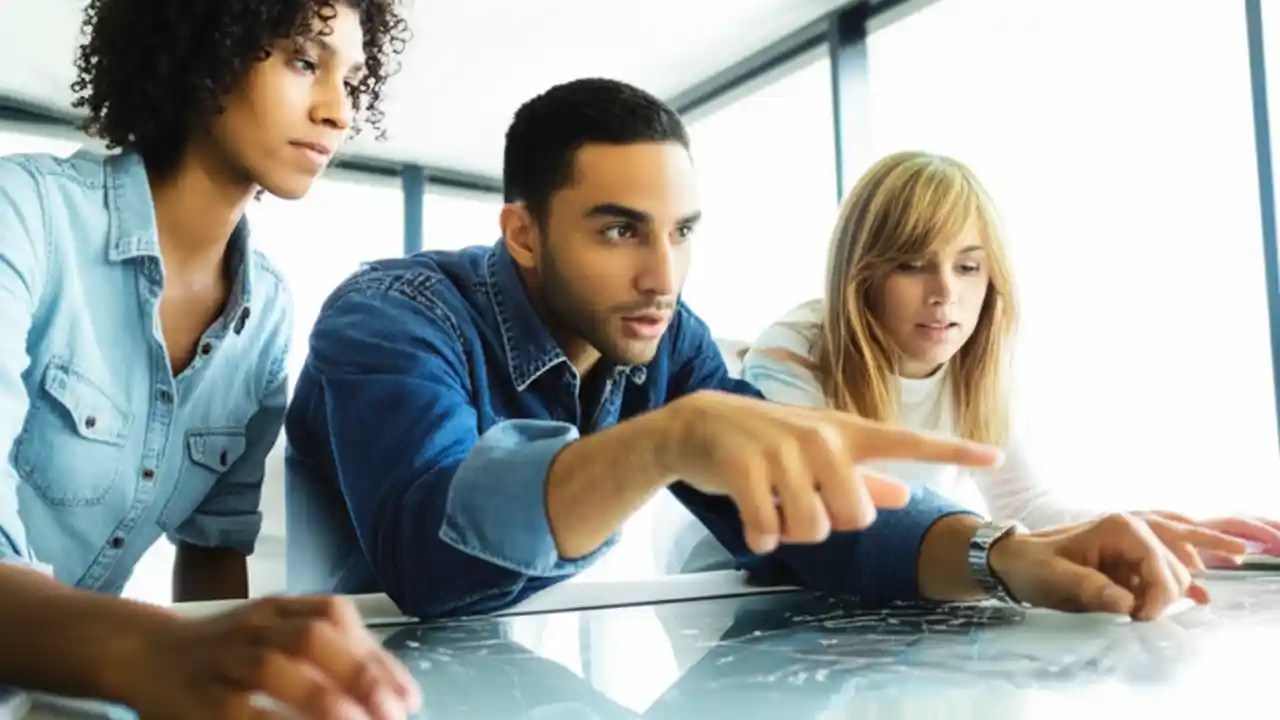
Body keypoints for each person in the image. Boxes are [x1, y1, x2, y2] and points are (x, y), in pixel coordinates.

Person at [284, 77, 1244, 625]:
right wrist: (663, 441)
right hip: (357, 672)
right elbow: (429, 564)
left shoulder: (666, 341)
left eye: (683, 231)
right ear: (524, 234)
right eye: (620, 232)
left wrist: (1007, 554)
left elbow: (800, 514)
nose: (665, 275)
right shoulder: (391, 316)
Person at [0, 1, 420, 717]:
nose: (339, 113)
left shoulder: (267, 315)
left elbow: (213, 554)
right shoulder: (26, 216)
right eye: (303, 60)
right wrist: (158, 654)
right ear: (205, 49)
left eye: (351, 80)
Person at [740, 150, 1280, 568]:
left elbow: (1024, 505)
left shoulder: (978, 364)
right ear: (861, 274)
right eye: (911, 264)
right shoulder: (794, 353)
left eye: (968, 267)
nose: (944, 293)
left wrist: (1152, 529)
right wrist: (1000, 551)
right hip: (743, 585)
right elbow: (827, 524)